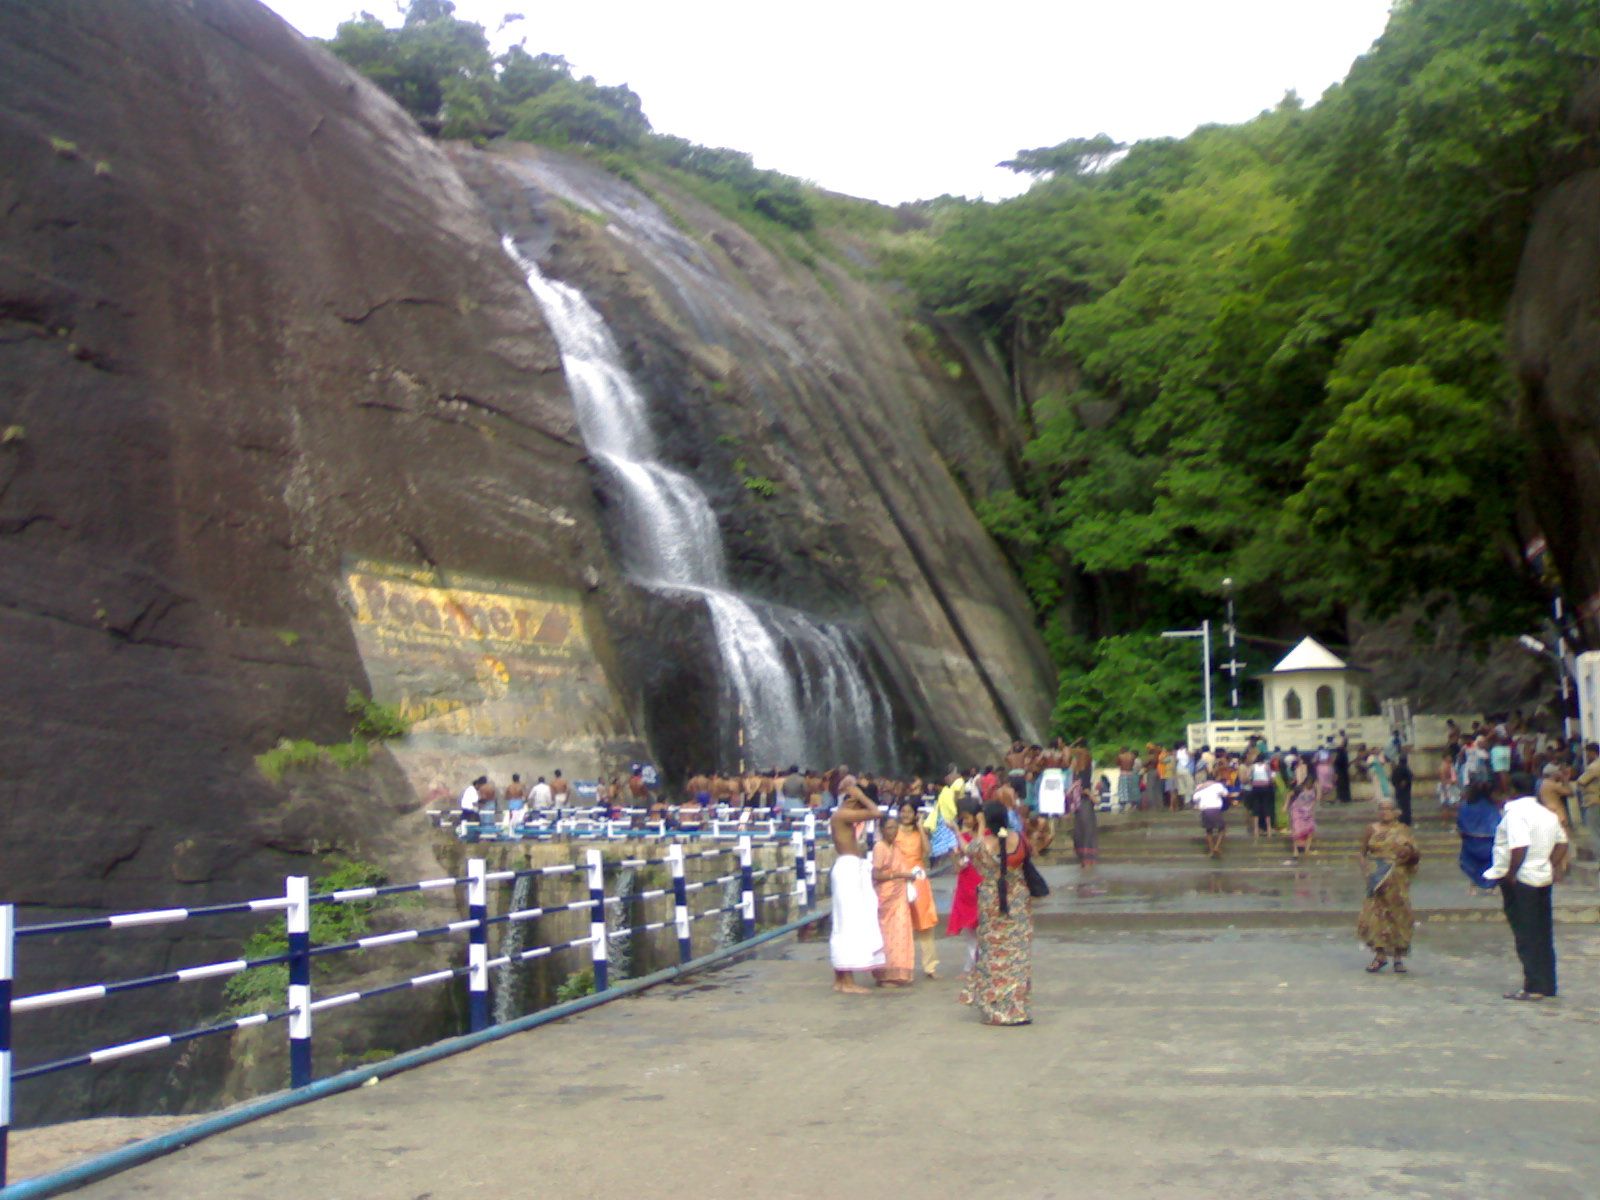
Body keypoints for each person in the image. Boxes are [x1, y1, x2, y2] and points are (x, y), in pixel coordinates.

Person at [1483, 773, 1569, 1000]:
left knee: (1525, 932)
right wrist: (1549, 863)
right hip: (1541, 875)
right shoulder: (1546, 813)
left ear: (1511, 790)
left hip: (1521, 879)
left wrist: (1512, 874)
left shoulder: (1515, 814)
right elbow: (1562, 842)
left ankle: (1533, 986)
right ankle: (1547, 983)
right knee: (1542, 931)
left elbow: (1519, 846)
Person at [956, 800, 1034, 1025]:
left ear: (986, 820)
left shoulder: (983, 845)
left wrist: (960, 830)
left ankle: (996, 1010)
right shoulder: (1019, 840)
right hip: (1018, 901)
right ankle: (1018, 1009)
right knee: (1018, 957)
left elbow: (966, 849)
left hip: (992, 903)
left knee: (992, 956)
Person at [829, 786, 886, 993]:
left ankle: (841, 978)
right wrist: (861, 795)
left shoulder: (840, 816)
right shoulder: (842, 814)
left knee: (843, 921)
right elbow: (877, 813)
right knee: (848, 923)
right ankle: (847, 981)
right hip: (847, 869)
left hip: (849, 867)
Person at [1357, 799, 1421, 974]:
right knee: (1376, 917)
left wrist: (1408, 853)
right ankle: (1380, 956)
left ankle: (1398, 958)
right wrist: (1367, 871)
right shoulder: (1371, 829)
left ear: (1395, 812)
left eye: (1388, 809)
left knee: (1399, 917)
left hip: (1397, 879)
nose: (1384, 812)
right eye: (1381, 809)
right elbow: (1362, 853)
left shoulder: (1403, 830)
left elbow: (1415, 854)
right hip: (1377, 879)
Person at [895, 801, 940, 979]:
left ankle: (930, 966)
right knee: (901, 923)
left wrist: (921, 827)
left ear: (915, 814)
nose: (906, 815)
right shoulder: (894, 831)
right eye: (903, 811)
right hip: (899, 879)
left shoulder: (918, 832)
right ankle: (903, 965)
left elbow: (927, 851)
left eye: (909, 811)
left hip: (918, 878)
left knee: (925, 923)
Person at [870, 816, 916, 986]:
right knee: (887, 934)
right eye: (889, 828)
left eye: (895, 827)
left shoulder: (896, 847)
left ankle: (899, 972)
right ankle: (885, 974)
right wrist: (898, 875)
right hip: (887, 897)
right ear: (882, 829)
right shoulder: (880, 847)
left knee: (901, 932)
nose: (893, 831)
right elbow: (875, 875)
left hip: (899, 896)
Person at [945, 800, 982, 976]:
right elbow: (958, 866)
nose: (965, 821)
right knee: (970, 930)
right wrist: (954, 855)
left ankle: (977, 965)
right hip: (965, 886)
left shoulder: (986, 835)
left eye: (967, 818)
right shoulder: (963, 837)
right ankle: (972, 965)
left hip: (980, 885)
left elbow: (972, 851)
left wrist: (957, 832)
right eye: (963, 818)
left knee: (982, 927)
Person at [1455, 781, 1500, 892]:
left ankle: (1474, 884)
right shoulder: (1492, 807)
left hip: (1471, 841)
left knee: (1472, 863)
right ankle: (1491, 885)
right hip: (1490, 841)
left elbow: (1460, 825)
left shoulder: (1466, 806)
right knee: (1490, 862)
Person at [1194, 775, 1228, 858]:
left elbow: (1195, 798)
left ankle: (1211, 850)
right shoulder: (1218, 785)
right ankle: (1216, 847)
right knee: (1222, 829)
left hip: (1205, 810)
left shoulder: (1200, 786)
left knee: (1209, 830)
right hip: (1215, 809)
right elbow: (1225, 794)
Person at [1577, 742, 1600, 861]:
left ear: (1592, 752)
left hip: (1593, 802)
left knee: (1595, 833)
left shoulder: (1594, 766)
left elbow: (1581, 781)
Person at [1070, 776, 1098, 874]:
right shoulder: (1075, 793)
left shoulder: (1087, 795)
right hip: (1080, 819)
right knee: (1080, 838)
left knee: (1087, 839)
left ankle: (1087, 863)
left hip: (1087, 819)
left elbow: (1097, 801)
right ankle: (1084, 863)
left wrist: (1088, 793)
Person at [1287, 776, 1317, 861]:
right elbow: (1289, 795)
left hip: (1307, 812)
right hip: (1297, 812)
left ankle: (1307, 850)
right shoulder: (1299, 789)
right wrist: (1286, 806)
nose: (1309, 785)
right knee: (1296, 832)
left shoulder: (1313, 790)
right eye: (1308, 783)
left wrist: (1312, 811)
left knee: (1310, 830)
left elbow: (1313, 801)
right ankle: (1295, 851)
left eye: (1311, 783)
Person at [1391, 754, 1414, 826]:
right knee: (1406, 807)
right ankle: (1406, 821)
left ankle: (1401, 820)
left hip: (1398, 790)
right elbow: (1410, 777)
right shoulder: (1406, 768)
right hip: (1405, 791)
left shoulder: (1396, 769)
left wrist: (1397, 785)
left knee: (1400, 805)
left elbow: (1393, 779)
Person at [1334, 733, 1352, 805]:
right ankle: (1344, 798)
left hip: (1341, 771)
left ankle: (1341, 798)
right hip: (1343, 771)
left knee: (1341, 784)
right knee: (1343, 784)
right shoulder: (1343, 751)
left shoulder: (1341, 751)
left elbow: (1338, 762)